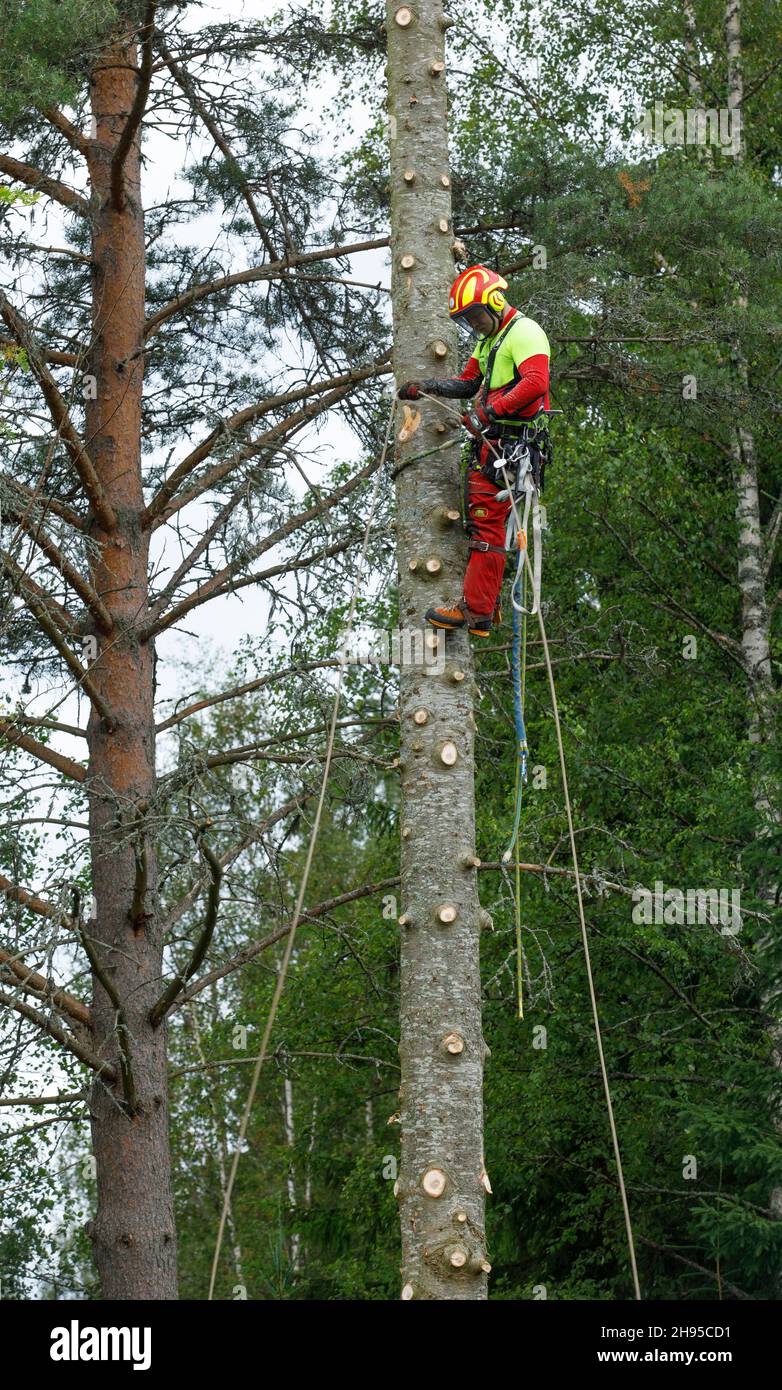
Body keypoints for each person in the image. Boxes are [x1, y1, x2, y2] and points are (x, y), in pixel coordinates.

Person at [397, 265, 551, 637]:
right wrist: (428, 386)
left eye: (477, 316)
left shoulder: (525, 332)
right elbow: (468, 384)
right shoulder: (488, 344)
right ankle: (485, 605)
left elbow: (536, 383)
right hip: (493, 445)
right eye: (467, 320)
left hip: (513, 448)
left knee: (486, 523)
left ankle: (476, 612)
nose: (475, 325)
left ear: (495, 303)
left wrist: (490, 411)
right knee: (481, 518)